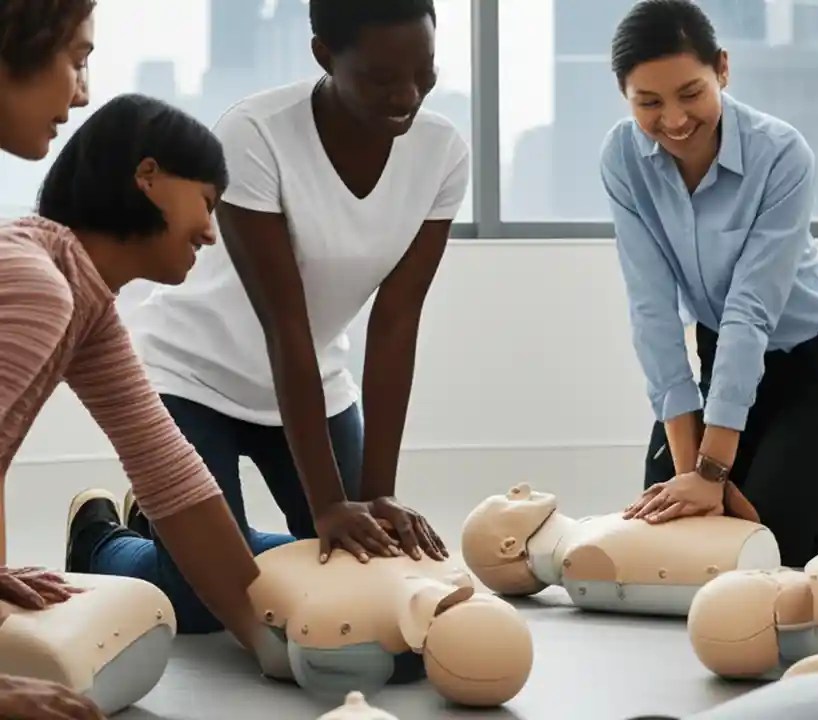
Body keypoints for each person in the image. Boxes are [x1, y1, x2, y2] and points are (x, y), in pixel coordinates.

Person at [65, 0, 468, 634]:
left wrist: (376, 495)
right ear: (325, 56)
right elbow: (285, 321)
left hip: (315, 386)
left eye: (424, 71)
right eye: (383, 78)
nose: (408, 95)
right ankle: (103, 539)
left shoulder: (443, 151)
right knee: (199, 605)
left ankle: (193, 532)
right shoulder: (255, 133)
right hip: (195, 375)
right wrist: (331, 503)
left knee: (363, 571)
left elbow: (395, 325)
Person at [0, 90, 280, 718]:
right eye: (206, 202)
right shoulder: (35, 281)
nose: (211, 231)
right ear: (148, 177)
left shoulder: (84, 301)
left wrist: (263, 634)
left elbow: (166, 469)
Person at [601, 0, 818, 569]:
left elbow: (750, 310)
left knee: (765, 552)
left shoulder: (781, 153)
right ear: (625, 96)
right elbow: (652, 310)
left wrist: (713, 470)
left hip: (812, 363)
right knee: (670, 545)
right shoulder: (622, 157)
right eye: (648, 102)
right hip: (718, 352)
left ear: (722, 68)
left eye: (690, 93)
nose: (673, 120)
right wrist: (688, 476)